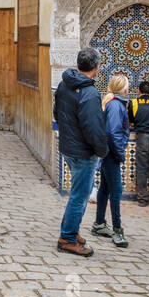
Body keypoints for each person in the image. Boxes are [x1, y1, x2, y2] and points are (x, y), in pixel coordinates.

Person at [53, 47, 109, 257]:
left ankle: (72, 232)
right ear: (96, 67)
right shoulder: (90, 93)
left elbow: (57, 113)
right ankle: (67, 238)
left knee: (79, 192)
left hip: (68, 148)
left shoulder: (64, 84)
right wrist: (102, 150)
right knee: (79, 195)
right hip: (83, 152)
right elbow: (93, 127)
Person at [91, 74, 131, 248]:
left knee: (105, 189)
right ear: (124, 88)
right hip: (111, 154)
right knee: (116, 191)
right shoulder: (116, 105)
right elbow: (113, 133)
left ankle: (99, 223)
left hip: (108, 153)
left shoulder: (114, 103)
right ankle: (117, 230)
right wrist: (120, 153)